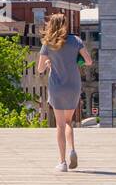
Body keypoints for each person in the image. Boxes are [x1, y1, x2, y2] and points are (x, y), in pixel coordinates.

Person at [37, 13, 92, 172]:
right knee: (69, 122)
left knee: (60, 125)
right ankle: (72, 150)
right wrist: (76, 61)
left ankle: (62, 163)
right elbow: (89, 61)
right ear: (65, 25)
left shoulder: (48, 43)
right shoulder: (76, 41)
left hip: (57, 87)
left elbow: (40, 69)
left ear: (51, 25)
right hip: (73, 85)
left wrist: (48, 63)